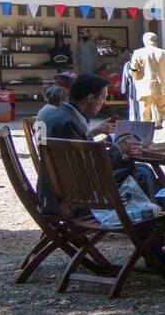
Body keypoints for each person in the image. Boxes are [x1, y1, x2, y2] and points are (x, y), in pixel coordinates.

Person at [35, 73, 117, 213]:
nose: (104, 102)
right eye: (103, 97)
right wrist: (119, 150)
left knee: (137, 171)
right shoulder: (68, 123)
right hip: (72, 199)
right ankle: (150, 228)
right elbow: (87, 168)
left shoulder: (56, 113)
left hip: (53, 190)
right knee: (141, 173)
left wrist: (96, 146)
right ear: (90, 98)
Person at [129, 31, 165, 143]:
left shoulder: (138, 53)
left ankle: (146, 139)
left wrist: (137, 78)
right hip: (162, 88)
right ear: (156, 41)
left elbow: (133, 69)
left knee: (145, 115)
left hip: (144, 88)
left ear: (144, 41)